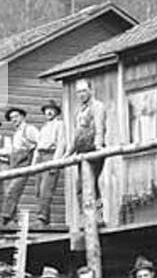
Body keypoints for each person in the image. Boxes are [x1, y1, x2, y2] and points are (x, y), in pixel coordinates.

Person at [66, 80, 107, 222]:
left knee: (90, 183)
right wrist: (67, 153)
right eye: (78, 92)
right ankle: (86, 217)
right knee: (81, 187)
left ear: (91, 90)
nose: (81, 94)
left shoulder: (97, 106)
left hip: (93, 149)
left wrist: (98, 146)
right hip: (81, 151)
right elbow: (76, 135)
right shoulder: (79, 111)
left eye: (84, 91)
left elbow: (99, 126)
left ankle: (98, 217)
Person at [0, 107, 39, 226]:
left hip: (24, 163)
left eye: (16, 117)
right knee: (11, 190)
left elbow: (40, 143)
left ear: (22, 117)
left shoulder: (29, 129)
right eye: (11, 118)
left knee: (13, 189)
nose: (14, 120)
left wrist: (34, 163)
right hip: (15, 164)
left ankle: (7, 218)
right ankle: (12, 219)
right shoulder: (16, 133)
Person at [33, 99, 65, 227]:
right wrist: (34, 163)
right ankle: (45, 220)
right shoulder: (44, 128)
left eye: (52, 110)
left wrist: (55, 162)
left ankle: (42, 217)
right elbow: (38, 146)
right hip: (41, 156)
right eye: (47, 110)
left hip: (51, 156)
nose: (49, 112)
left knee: (46, 189)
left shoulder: (59, 124)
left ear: (56, 112)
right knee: (38, 190)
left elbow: (61, 143)